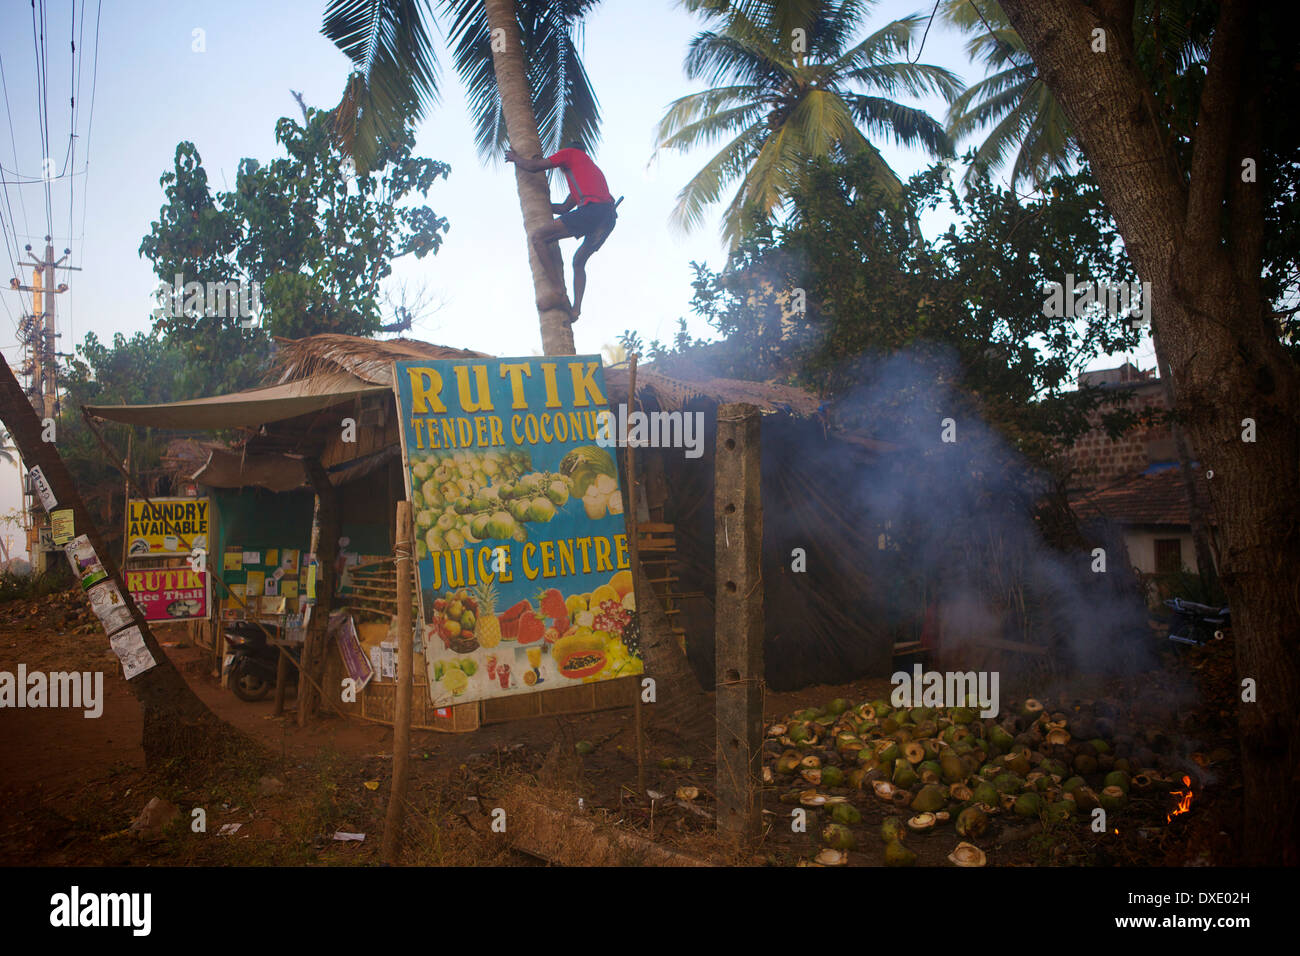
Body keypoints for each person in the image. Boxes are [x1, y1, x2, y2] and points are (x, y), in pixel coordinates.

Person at [505, 142, 618, 323]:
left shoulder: (570, 154)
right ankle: (576, 310)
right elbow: (565, 208)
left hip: (593, 211)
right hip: (608, 218)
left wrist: (514, 158)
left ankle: (558, 291)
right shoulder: (588, 172)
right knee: (579, 262)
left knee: (539, 238)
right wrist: (542, 205)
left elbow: (533, 167)